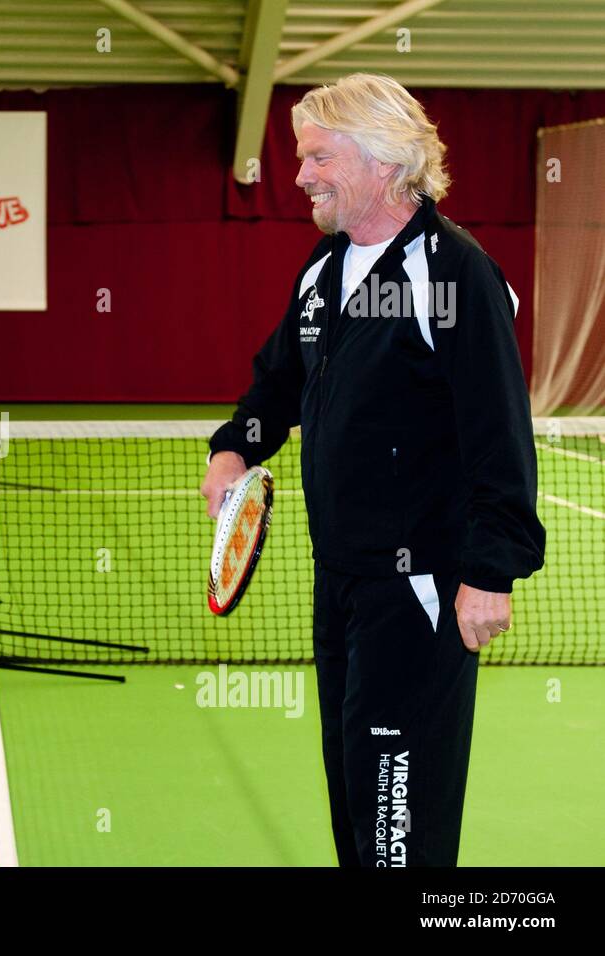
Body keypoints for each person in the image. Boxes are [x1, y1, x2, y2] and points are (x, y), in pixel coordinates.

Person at [200, 74, 545, 866]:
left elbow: (500, 434)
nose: (299, 176)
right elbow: (279, 382)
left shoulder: (455, 276)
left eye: (318, 155)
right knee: (357, 797)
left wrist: (492, 571)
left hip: (420, 588)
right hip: (342, 582)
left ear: (384, 162)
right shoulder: (324, 272)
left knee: (399, 823)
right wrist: (236, 445)